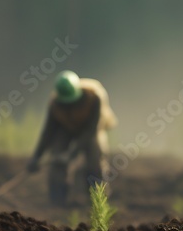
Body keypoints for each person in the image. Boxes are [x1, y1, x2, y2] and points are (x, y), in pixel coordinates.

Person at [26, 71, 117, 205]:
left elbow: (92, 129)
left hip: (91, 129)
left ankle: (98, 198)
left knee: (95, 158)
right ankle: (57, 199)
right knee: (56, 157)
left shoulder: (94, 97)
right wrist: (36, 157)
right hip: (66, 128)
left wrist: (71, 153)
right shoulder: (55, 103)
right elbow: (48, 131)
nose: (70, 105)